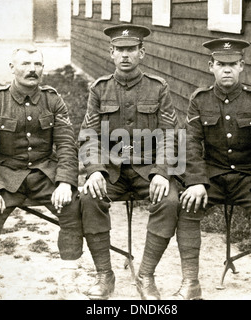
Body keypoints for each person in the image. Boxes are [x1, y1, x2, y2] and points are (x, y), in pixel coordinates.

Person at [0, 45, 83, 299]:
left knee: (74, 207)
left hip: (44, 174)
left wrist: (65, 182)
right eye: (25, 64)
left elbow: (66, 144)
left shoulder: (53, 100)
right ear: (12, 68)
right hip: (6, 176)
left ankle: (68, 283)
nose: (32, 70)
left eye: (37, 65)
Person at [176, 38, 251, 300]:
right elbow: (190, 143)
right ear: (210, 66)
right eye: (221, 64)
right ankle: (190, 283)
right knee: (186, 207)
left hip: (248, 178)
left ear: (242, 66)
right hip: (211, 178)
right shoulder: (199, 100)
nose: (227, 69)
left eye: (232, 64)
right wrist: (196, 181)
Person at [79, 24, 180, 300]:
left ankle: (146, 275)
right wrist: (95, 171)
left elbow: (171, 135)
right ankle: (104, 275)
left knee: (170, 201)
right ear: (111, 53)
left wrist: (161, 172)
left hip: (148, 172)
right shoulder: (99, 90)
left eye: (131, 49)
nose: (125, 55)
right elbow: (88, 136)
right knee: (88, 198)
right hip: (111, 172)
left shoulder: (158, 89)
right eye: (119, 50)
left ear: (142, 53)